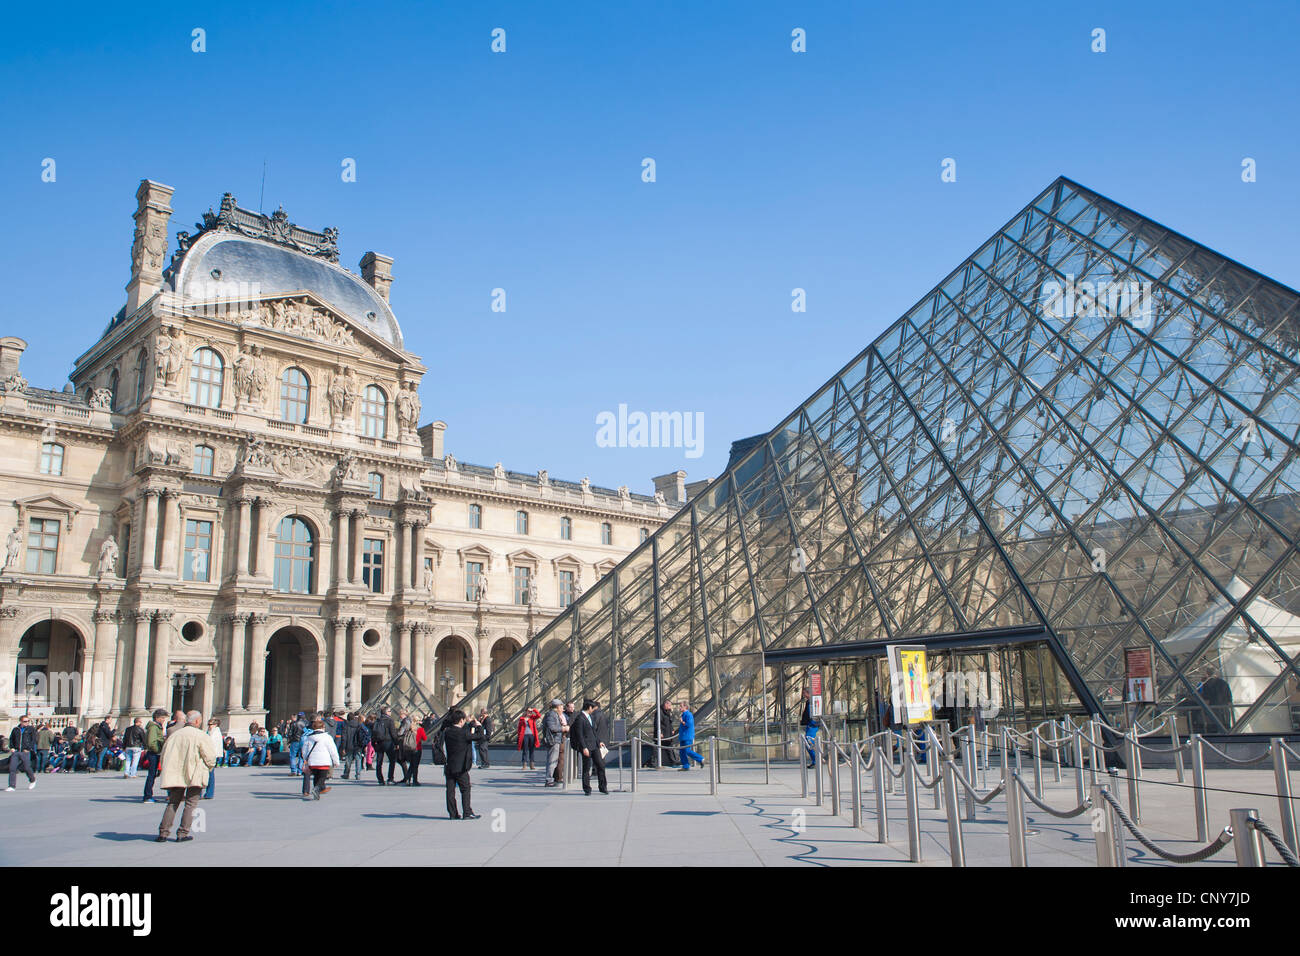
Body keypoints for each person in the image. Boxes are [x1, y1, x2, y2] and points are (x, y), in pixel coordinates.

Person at [155, 710, 216, 843]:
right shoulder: (201, 736)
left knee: (173, 802)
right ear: (196, 721)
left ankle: (163, 833)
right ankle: (182, 833)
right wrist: (209, 767)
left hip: (176, 774)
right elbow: (210, 757)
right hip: (194, 774)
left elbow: (164, 755)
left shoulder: (175, 735)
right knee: (191, 804)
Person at [441, 709, 482, 820]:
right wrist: (478, 726)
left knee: (450, 791)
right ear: (461, 720)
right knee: (465, 789)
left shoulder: (447, 732)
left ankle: (453, 814)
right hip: (461, 767)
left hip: (449, 765)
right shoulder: (463, 733)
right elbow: (479, 736)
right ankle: (467, 812)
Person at [571, 698, 608, 795]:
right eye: (593, 708)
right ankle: (587, 789)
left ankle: (603, 787)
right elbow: (580, 735)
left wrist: (599, 741)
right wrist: (584, 747)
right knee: (586, 768)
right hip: (587, 747)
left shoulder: (590, 717)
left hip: (594, 745)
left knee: (601, 765)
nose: (594, 710)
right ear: (589, 707)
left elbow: (594, 732)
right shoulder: (580, 718)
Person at [300, 718, 340, 800]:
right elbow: (333, 750)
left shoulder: (309, 738)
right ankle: (316, 789)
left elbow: (304, 750)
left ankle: (316, 793)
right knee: (322, 777)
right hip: (324, 761)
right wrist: (336, 761)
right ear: (322, 728)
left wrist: (305, 759)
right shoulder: (327, 737)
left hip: (312, 761)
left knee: (316, 777)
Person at [6, 714, 38, 791]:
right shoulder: (16, 729)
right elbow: (11, 739)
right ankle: (11, 786)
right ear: (21, 721)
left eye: (28, 721)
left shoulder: (31, 729)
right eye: (25, 721)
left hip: (25, 751)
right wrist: (12, 748)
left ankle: (32, 780)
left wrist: (29, 748)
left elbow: (33, 740)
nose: (27, 723)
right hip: (16, 751)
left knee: (27, 767)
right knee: (12, 768)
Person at [370, 706, 401, 785]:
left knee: (379, 762)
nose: (391, 712)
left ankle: (380, 779)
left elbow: (373, 733)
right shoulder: (390, 720)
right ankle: (390, 778)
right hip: (388, 742)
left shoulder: (377, 720)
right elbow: (393, 733)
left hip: (379, 743)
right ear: (386, 712)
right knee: (392, 760)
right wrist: (397, 743)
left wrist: (374, 744)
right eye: (390, 711)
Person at [142, 709, 168, 802]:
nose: (163, 720)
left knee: (153, 775)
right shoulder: (153, 727)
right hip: (154, 753)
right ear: (157, 717)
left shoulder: (156, 726)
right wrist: (158, 750)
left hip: (155, 753)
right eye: (162, 718)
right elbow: (151, 742)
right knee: (151, 775)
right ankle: (147, 796)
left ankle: (148, 795)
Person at [542, 699, 565, 787]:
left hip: (555, 740)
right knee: (552, 760)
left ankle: (550, 779)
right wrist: (563, 729)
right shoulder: (552, 714)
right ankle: (549, 780)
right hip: (553, 740)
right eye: (562, 706)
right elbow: (552, 728)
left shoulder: (553, 714)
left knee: (553, 760)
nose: (563, 708)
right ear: (558, 706)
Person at [341, 712, 369, 781]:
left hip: (349, 745)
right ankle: (358, 774)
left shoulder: (346, 726)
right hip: (358, 745)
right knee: (358, 759)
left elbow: (344, 738)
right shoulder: (359, 725)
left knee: (348, 760)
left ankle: (346, 773)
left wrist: (343, 747)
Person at [397, 710, 421, 786]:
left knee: (411, 764)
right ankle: (414, 780)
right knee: (415, 765)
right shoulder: (419, 728)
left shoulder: (408, 727)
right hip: (417, 748)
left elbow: (400, 733)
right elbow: (424, 737)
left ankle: (407, 778)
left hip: (407, 747)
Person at [678, 700, 703, 770]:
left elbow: (689, 724)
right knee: (682, 752)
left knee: (687, 750)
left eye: (681, 706)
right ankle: (685, 765)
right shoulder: (683, 714)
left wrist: (682, 722)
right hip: (683, 736)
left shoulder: (688, 714)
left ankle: (700, 759)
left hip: (687, 736)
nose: (679, 708)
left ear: (685, 707)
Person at [204, 719, 224, 799]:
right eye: (208, 724)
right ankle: (209, 793)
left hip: (211, 755)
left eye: (210, 724)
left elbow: (210, 743)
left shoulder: (215, 733)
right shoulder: (212, 732)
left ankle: (209, 793)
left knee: (210, 774)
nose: (209, 726)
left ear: (215, 725)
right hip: (211, 754)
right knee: (209, 774)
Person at [799, 688, 818, 769]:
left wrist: (812, 722)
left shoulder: (812, 702)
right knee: (808, 742)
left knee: (808, 741)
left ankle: (816, 760)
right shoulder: (809, 702)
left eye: (804, 693)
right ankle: (815, 759)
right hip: (810, 724)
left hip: (812, 724)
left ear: (808, 693)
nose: (803, 695)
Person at [658, 701, 678, 767]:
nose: (670, 706)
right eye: (669, 705)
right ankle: (673, 761)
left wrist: (672, 729)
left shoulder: (668, 712)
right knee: (667, 747)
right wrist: (660, 732)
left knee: (669, 747)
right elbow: (658, 723)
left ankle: (674, 761)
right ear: (665, 704)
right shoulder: (660, 712)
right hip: (664, 733)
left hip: (668, 733)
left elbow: (669, 722)